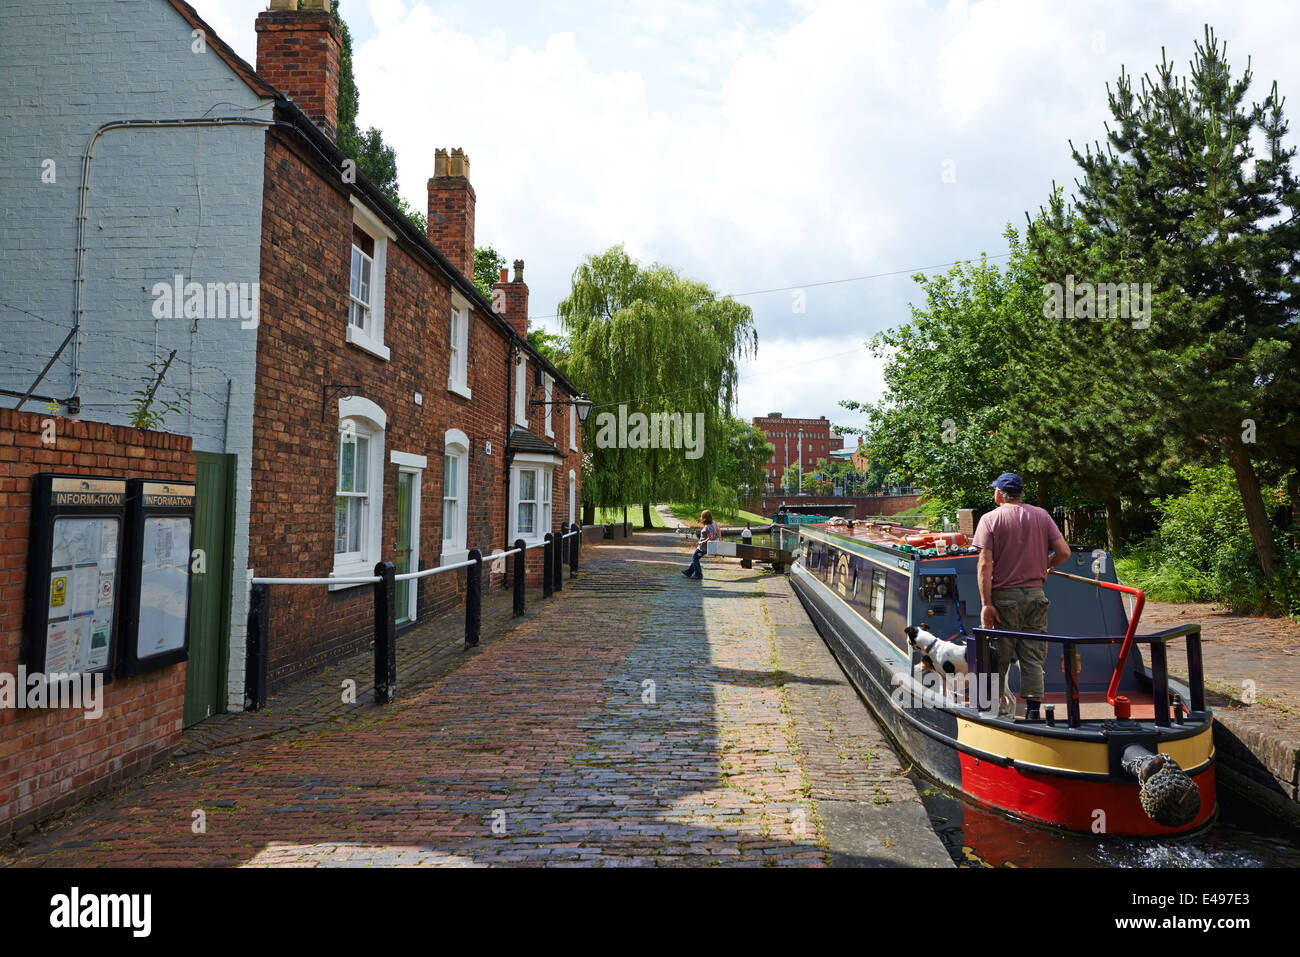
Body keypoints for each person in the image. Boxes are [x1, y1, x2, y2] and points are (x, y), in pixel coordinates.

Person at [972, 473, 1071, 720]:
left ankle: (993, 712)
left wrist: (986, 605)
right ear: (1021, 494)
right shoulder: (1041, 515)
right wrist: (1045, 564)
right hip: (1036, 597)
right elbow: (1064, 552)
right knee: (1033, 656)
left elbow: (985, 565)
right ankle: (1034, 714)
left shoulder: (989, 519)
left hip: (1004, 598)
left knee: (998, 657)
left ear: (999, 494)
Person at [684, 509, 720, 579]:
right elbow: (718, 530)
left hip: (703, 548)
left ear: (704, 518)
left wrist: (702, 542)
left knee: (694, 558)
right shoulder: (714, 524)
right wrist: (719, 537)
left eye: (701, 516)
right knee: (695, 558)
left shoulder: (707, 527)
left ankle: (699, 574)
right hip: (706, 547)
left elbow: (711, 537)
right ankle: (689, 572)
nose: (701, 518)